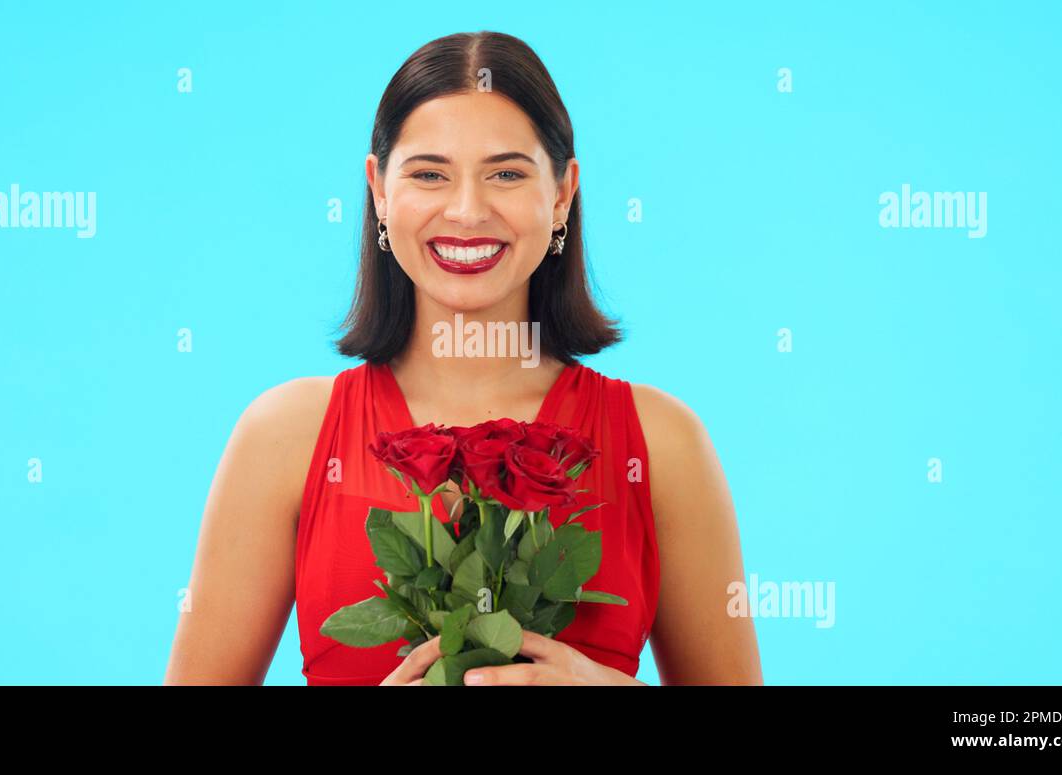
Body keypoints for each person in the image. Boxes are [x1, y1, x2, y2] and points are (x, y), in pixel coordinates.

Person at [164, 31, 762, 686]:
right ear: (379, 191)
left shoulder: (663, 443)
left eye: (506, 173)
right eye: (429, 174)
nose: (467, 211)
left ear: (563, 193)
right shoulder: (284, 435)